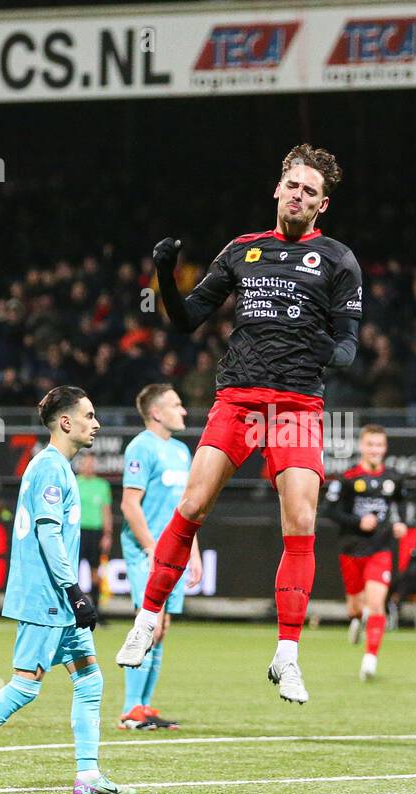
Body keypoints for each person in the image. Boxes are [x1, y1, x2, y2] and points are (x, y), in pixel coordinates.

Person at [116, 144, 362, 705]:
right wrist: (161, 274)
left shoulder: (338, 260)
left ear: (321, 206)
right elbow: (186, 320)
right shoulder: (242, 251)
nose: (299, 196)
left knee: (300, 519)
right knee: (193, 506)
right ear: (278, 189)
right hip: (240, 401)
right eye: (293, 186)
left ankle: (287, 656)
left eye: (311, 192)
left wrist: (316, 339)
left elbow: (347, 351)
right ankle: (147, 618)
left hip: (297, 406)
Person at [0, 386, 134, 794]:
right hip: (46, 596)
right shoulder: (49, 468)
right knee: (25, 686)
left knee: (89, 680)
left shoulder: (61, 468)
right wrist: (74, 590)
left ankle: (88, 775)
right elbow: (47, 534)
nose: (96, 424)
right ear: (65, 422)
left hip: (58, 599)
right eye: (89, 416)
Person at [118, 384, 201, 730]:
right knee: (149, 624)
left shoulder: (182, 451)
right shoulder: (141, 447)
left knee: (161, 627)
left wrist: (193, 552)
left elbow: (187, 509)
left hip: (175, 553)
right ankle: (130, 710)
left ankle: (144, 706)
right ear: (156, 412)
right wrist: (153, 548)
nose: (183, 411)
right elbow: (129, 503)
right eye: (176, 405)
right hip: (147, 552)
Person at [322, 424, 410, 681]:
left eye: (380, 445)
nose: (375, 450)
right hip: (351, 548)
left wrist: (400, 523)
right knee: (356, 606)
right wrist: (357, 522)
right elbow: (329, 511)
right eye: (370, 445)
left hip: (380, 548)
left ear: (385, 448)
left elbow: (402, 503)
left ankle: (370, 659)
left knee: (376, 604)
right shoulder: (348, 478)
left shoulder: (393, 478)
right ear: (362, 446)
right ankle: (357, 619)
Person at [73, 453, 113, 623]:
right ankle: (73, 609)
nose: (88, 467)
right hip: (77, 532)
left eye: (91, 464)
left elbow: (106, 511)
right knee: (71, 572)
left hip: (95, 533)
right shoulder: (74, 482)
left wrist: (107, 534)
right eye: (85, 464)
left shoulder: (102, 485)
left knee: (96, 572)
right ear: (81, 465)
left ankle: (95, 611)